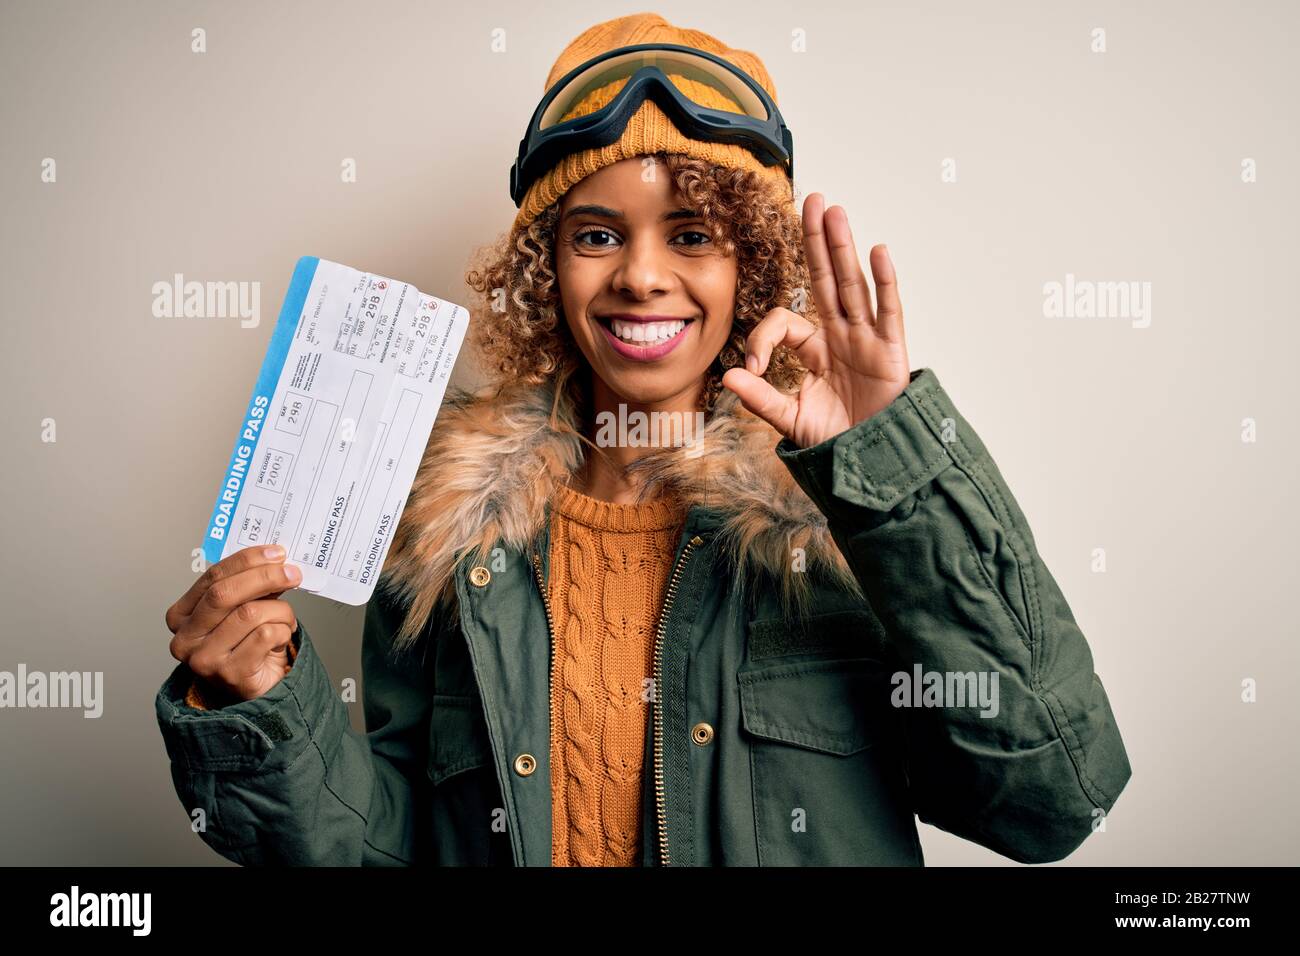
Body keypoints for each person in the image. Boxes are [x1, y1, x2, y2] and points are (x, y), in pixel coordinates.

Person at [156, 12, 1132, 866]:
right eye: (596, 234)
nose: (642, 275)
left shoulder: (841, 518)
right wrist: (260, 701)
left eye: (694, 234)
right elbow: (389, 842)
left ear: (751, 262)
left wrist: (890, 470)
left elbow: (1051, 799)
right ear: (546, 264)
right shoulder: (442, 529)